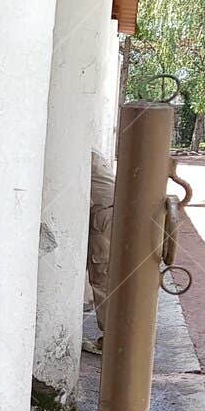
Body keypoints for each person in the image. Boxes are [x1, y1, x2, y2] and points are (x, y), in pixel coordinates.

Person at [84, 151, 115, 354]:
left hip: (103, 217)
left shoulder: (79, 153)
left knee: (102, 278)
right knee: (109, 276)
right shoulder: (92, 153)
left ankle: (110, 342)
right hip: (111, 212)